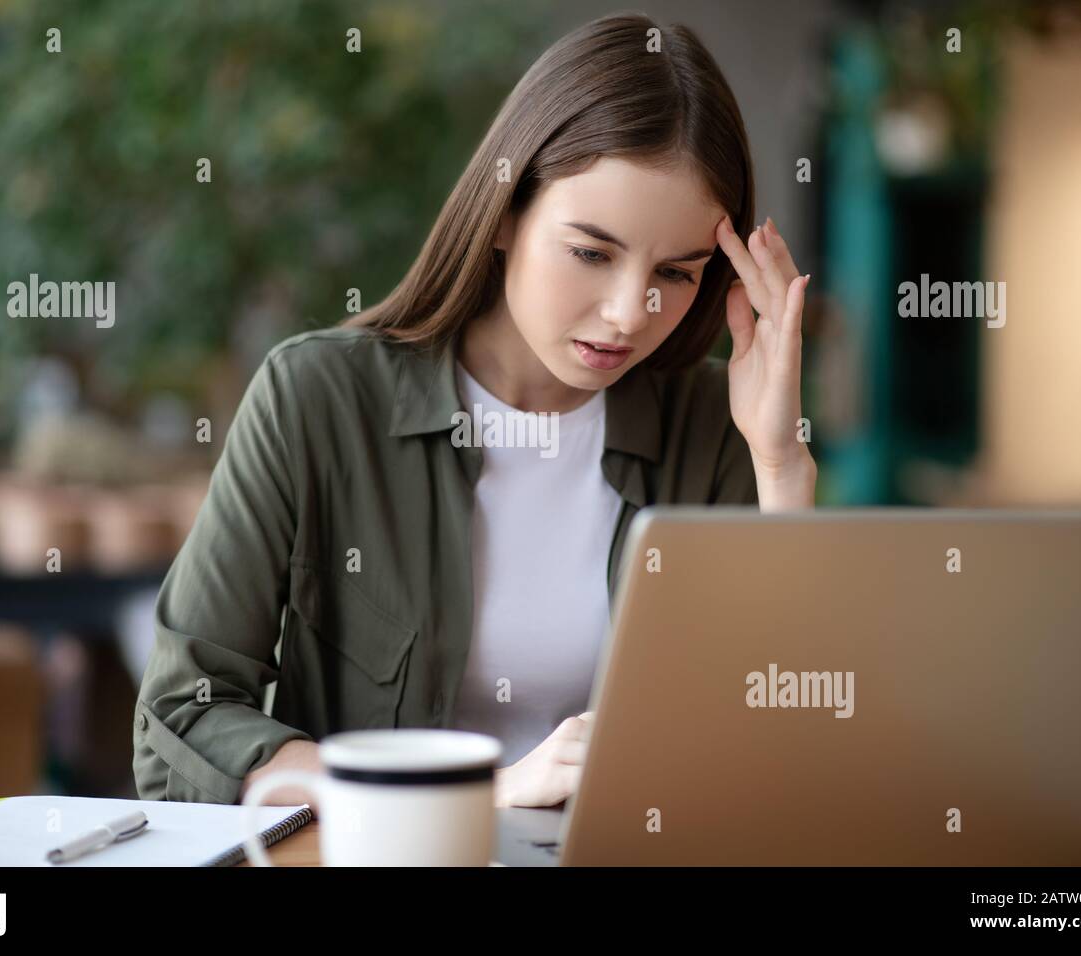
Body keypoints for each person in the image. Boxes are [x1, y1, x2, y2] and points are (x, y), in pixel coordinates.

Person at [132, 12, 816, 813]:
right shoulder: (315, 400)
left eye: (677, 271)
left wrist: (781, 466)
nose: (632, 311)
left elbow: (784, 755)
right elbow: (182, 720)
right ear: (503, 218)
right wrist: (471, 795)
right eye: (591, 253)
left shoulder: (713, 426)